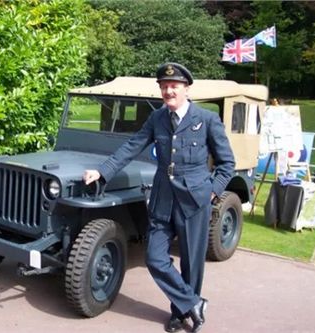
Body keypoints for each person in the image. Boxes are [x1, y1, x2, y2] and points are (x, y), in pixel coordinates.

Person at [83, 62, 235, 333]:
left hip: (194, 201)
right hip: (163, 199)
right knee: (154, 258)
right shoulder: (157, 119)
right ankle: (193, 304)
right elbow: (131, 147)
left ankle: (180, 314)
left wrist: (212, 191)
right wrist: (102, 171)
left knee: (192, 263)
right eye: (164, 87)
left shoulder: (207, 120)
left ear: (186, 89)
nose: (168, 91)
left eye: (174, 86)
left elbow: (226, 163)